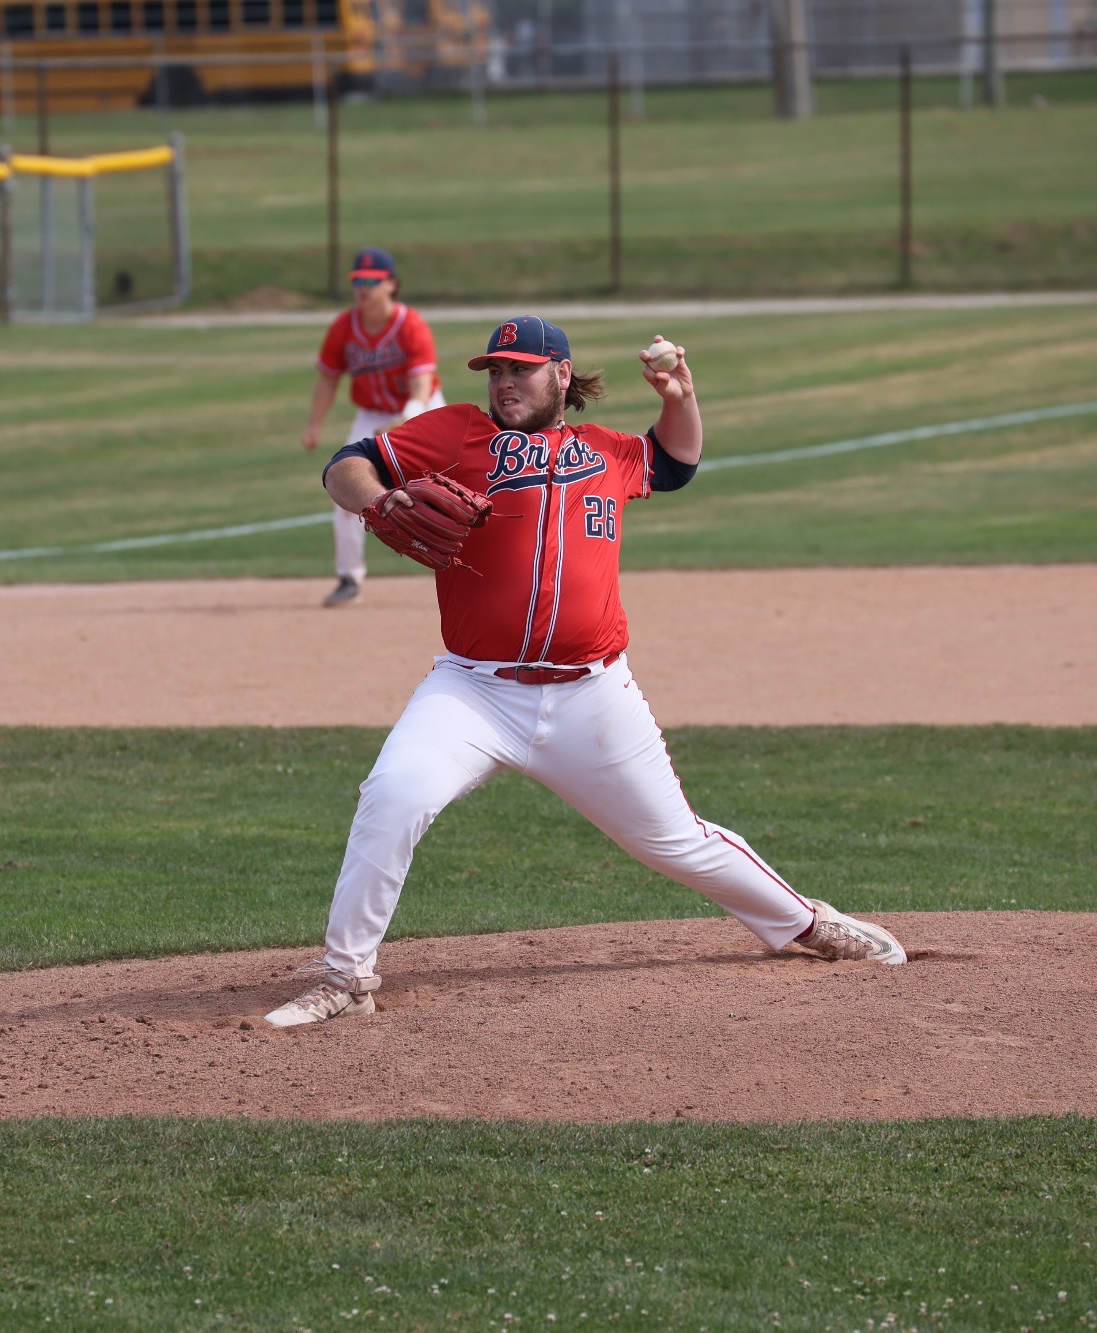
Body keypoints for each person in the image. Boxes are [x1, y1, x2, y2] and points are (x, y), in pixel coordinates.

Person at [265, 316, 905, 1028]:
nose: (505, 383)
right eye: (496, 371)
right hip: (474, 689)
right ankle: (344, 978)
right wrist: (378, 498)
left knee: (676, 841)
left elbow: (677, 461)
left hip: (593, 697)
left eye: (521, 369)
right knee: (392, 793)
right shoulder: (453, 434)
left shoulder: (608, 451)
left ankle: (806, 922)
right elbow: (346, 463)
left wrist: (677, 395)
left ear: (561, 375)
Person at [301, 247, 444, 607]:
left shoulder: (410, 325)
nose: (363, 288)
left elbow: (422, 381)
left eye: (371, 281)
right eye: (357, 281)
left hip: (422, 408)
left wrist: (409, 414)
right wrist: (314, 425)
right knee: (347, 484)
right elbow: (328, 379)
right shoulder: (343, 328)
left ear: (391, 285)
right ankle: (349, 577)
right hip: (371, 415)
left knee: (455, 488)